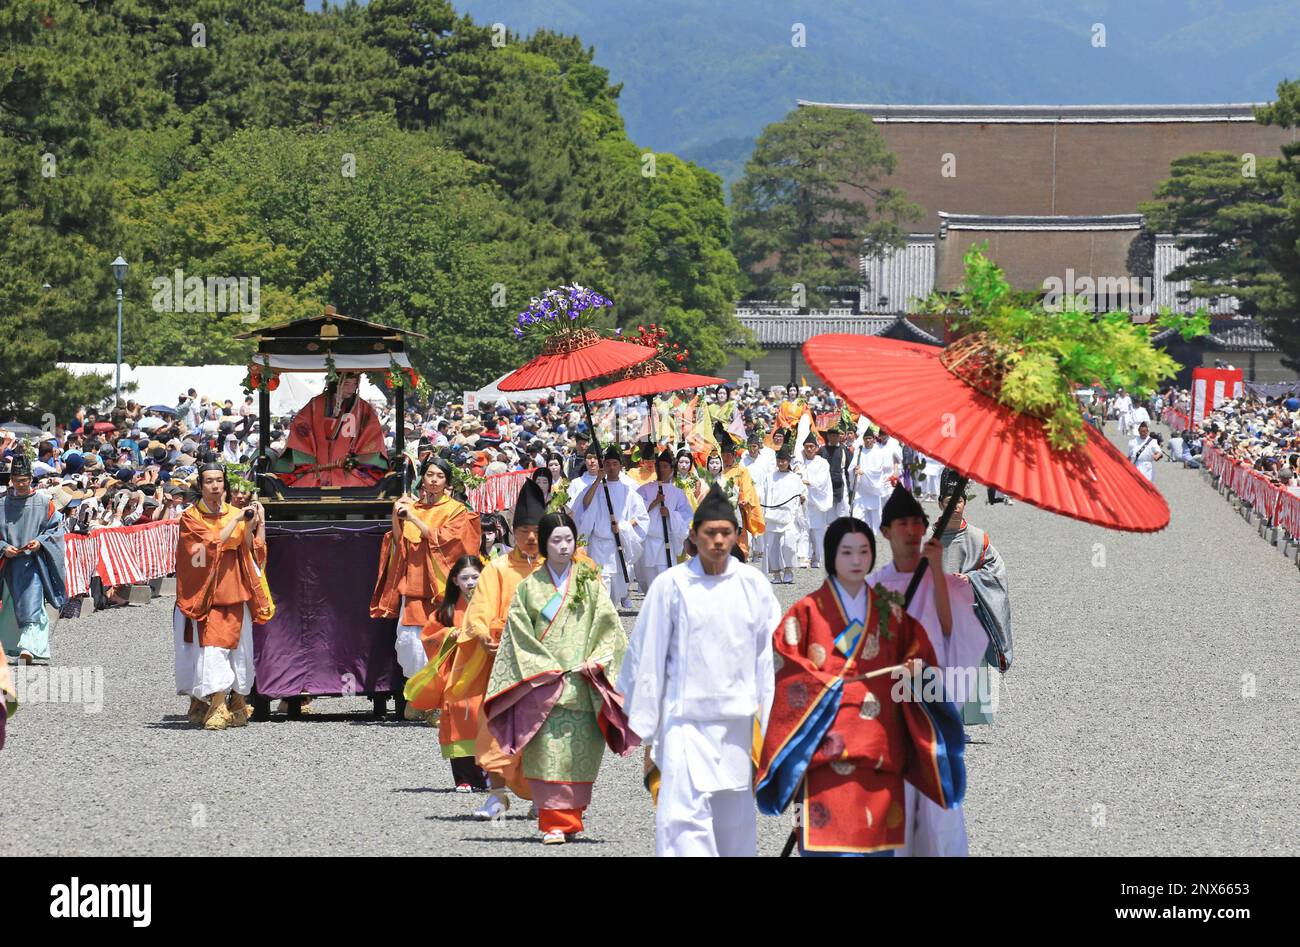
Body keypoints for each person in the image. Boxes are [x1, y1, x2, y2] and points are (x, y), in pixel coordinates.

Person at [756, 518, 965, 856]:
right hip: (823, 755)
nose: (856, 560)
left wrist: (915, 671)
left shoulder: (891, 614)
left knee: (876, 848)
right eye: (847, 552)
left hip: (878, 753)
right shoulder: (807, 611)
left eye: (864, 551)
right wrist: (827, 689)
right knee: (824, 846)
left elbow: (920, 655)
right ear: (830, 556)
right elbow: (784, 667)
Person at [617, 483, 782, 857]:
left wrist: (771, 726)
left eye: (726, 533)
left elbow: (770, 658)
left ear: (738, 535)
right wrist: (648, 731)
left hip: (738, 726)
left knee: (735, 829)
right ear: (694, 535)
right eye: (710, 533)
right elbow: (648, 656)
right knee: (682, 827)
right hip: (683, 724)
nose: (719, 541)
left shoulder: (753, 585)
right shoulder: (671, 585)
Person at [485, 512, 636, 844]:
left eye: (568, 539)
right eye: (556, 540)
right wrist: (543, 667)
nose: (563, 546)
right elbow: (518, 635)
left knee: (576, 755)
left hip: (583, 682)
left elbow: (609, 627)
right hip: (544, 684)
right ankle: (553, 822)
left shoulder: (588, 582)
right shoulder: (529, 588)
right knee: (548, 755)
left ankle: (573, 816)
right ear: (544, 543)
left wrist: (596, 660)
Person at [870, 484, 986, 856]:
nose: (909, 531)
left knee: (938, 815)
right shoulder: (872, 587)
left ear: (925, 528)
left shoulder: (944, 583)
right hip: (890, 714)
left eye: (916, 523)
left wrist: (936, 571)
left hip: (932, 708)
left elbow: (952, 633)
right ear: (886, 531)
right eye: (900, 523)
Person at [448, 477, 548, 819]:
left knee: (543, 732)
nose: (530, 538)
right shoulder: (499, 568)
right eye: (523, 531)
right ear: (513, 533)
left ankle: (541, 796)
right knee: (495, 727)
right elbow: (479, 609)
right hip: (504, 661)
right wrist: (481, 634)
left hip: (545, 665)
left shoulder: (559, 570)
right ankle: (496, 794)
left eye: (536, 530)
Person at [371, 456, 480, 718]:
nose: (433, 480)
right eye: (429, 474)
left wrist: (415, 519)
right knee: (410, 644)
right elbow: (399, 544)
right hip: (415, 582)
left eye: (439, 476)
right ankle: (419, 698)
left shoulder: (457, 510)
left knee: (443, 642)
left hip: (442, 586)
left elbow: (446, 542)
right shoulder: (412, 506)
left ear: (447, 482)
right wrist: (398, 518)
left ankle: (440, 701)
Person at [173, 463, 273, 730]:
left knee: (240, 648)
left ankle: (238, 700)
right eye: (209, 481)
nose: (215, 486)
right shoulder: (191, 517)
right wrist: (237, 521)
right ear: (200, 486)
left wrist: (255, 525)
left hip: (235, 586)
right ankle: (216, 702)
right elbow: (208, 545)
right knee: (211, 647)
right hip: (206, 590)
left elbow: (250, 550)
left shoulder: (237, 514)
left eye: (219, 481)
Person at [407, 554, 488, 792]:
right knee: (458, 721)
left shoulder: (489, 606)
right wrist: (448, 635)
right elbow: (429, 637)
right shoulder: (447, 611)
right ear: (454, 581)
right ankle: (463, 778)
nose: (471, 582)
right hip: (456, 675)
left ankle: (484, 776)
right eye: (465, 578)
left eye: (475, 576)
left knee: (483, 720)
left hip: (484, 672)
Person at [936, 470, 1010, 727]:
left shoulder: (979, 538)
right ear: (940, 504)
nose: (954, 506)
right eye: (949, 501)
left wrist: (972, 579)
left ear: (965, 503)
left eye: (958, 500)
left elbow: (997, 571)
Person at [1, 451, 68, 664]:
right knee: (10, 608)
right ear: (11, 480)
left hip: (33, 563)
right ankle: (12, 645)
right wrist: (3, 547)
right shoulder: (1, 504)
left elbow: (56, 529)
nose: (20, 484)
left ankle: (29, 647)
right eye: (16, 480)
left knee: (32, 604)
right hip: (8, 565)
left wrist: (40, 542)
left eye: (24, 480)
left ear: (31, 479)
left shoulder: (44, 503)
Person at [275, 371, 388, 487]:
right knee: (301, 485)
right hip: (316, 467)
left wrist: (356, 460)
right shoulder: (315, 404)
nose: (351, 388)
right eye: (347, 384)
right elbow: (301, 428)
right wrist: (310, 461)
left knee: (363, 485)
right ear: (335, 384)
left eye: (354, 384)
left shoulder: (362, 408)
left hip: (350, 469)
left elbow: (372, 434)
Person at [574, 445, 648, 610]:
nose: (612, 467)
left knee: (616, 592)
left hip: (619, 546)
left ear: (620, 466)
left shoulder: (629, 491)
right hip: (599, 547)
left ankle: (611, 621)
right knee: (602, 592)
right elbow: (585, 504)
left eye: (615, 463)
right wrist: (598, 480)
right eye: (608, 464)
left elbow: (641, 518)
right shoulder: (597, 488)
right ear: (604, 466)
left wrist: (623, 527)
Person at [635, 448, 694, 593]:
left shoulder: (678, 493)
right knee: (649, 580)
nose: (662, 469)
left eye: (666, 466)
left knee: (665, 580)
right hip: (648, 541)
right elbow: (636, 511)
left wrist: (671, 514)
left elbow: (686, 515)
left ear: (672, 469)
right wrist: (654, 502)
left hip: (665, 542)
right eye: (660, 466)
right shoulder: (644, 489)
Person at [718, 424, 765, 560]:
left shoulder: (741, 470)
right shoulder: (718, 471)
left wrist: (744, 500)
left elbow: (747, 488)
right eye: (723, 455)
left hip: (736, 510)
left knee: (739, 538)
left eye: (728, 455)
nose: (725, 458)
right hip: (720, 510)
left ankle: (741, 558)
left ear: (733, 455)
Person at [763, 443, 805, 584]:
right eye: (779, 461)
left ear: (788, 462)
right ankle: (776, 574)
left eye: (783, 461)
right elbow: (763, 494)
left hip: (789, 517)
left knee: (788, 544)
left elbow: (803, 492)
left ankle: (788, 569)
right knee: (772, 546)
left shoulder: (795, 478)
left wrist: (803, 497)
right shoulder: (769, 477)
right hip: (772, 515)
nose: (781, 463)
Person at [800, 432, 833, 569]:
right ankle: (804, 557)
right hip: (804, 502)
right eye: (806, 446)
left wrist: (808, 482)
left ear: (816, 447)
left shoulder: (822, 462)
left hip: (818, 502)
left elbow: (822, 481)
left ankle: (818, 557)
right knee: (804, 530)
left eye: (811, 446)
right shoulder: (799, 462)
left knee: (817, 532)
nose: (809, 449)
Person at [850, 428, 892, 531]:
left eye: (870, 438)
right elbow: (852, 465)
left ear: (873, 439)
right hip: (860, 488)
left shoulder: (878, 452)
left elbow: (878, 469)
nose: (868, 440)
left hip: (872, 488)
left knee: (873, 513)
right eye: (866, 439)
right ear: (863, 440)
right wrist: (854, 469)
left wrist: (863, 472)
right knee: (858, 512)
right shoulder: (859, 451)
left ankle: (873, 533)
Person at [817, 425, 851, 518]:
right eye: (831, 435)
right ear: (828, 437)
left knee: (843, 505)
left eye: (835, 436)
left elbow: (849, 466)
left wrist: (849, 482)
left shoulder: (843, 449)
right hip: (826, 481)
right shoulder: (822, 450)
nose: (833, 437)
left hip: (840, 480)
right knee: (828, 505)